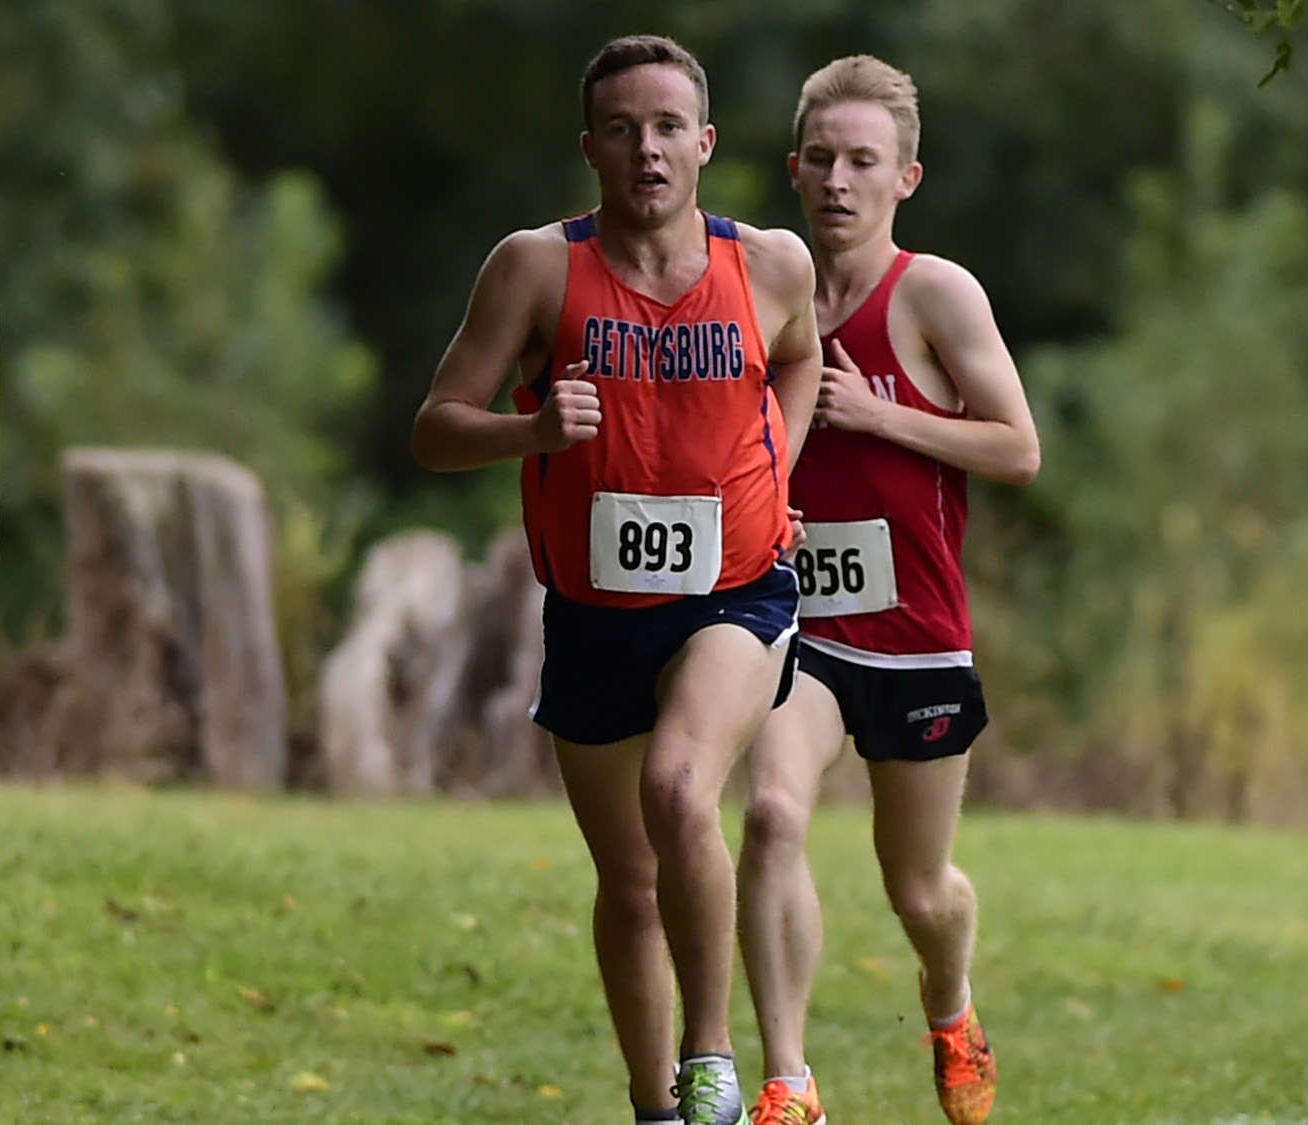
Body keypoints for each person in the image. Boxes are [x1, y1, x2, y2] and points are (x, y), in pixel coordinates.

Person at [411, 34, 822, 1125]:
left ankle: (712, 1059)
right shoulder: (536, 268)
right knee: (631, 881)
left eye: (668, 128)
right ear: (590, 146)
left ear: (705, 143)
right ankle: (655, 1109)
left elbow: (800, 354)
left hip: (736, 591)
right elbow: (435, 430)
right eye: (624, 129)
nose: (647, 149)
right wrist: (533, 428)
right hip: (593, 610)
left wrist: (773, 462)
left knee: (679, 789)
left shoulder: (770, 265)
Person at [736, 55, 1041, 1125]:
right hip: (793, 627)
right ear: (791, 167)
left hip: (913, 636)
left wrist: (879, 418)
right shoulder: (760, 291)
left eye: (862, 161)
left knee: (919, 891)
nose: (836, 180)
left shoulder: (935, 293)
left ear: (904, 177)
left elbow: (1015, 449)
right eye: (819, 158)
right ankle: (788, 1082)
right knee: (771, 816)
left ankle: (949, 1005)